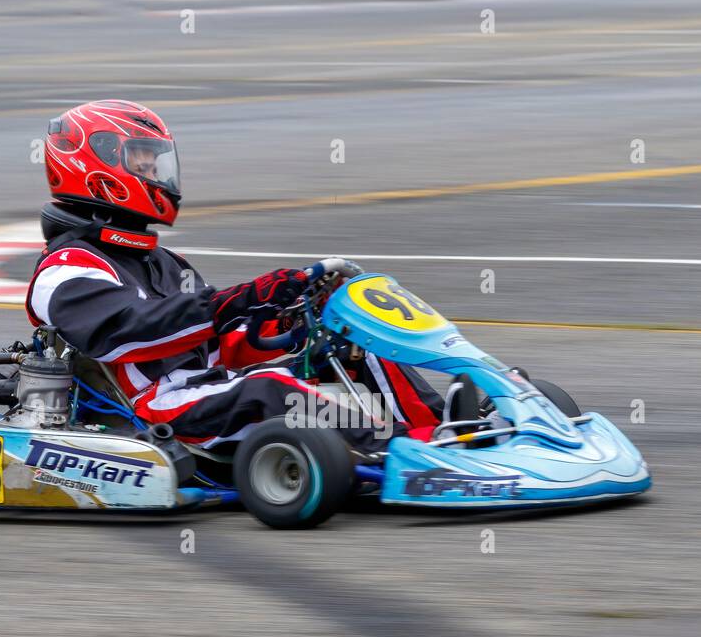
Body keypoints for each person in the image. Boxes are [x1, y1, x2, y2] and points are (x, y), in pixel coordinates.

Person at [25, 99, 441, 452]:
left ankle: (448, 430)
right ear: (97, 167)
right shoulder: (66, 268)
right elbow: (129, 333)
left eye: (156, 164)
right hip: (159, 407)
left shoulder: (164, 261)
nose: (156, 175)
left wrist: (296, 322)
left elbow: (223, 342)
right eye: (143, 163)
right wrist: (242, 299)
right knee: (271, 385)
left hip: (214, 386)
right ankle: (398, 452)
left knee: (357, 345)